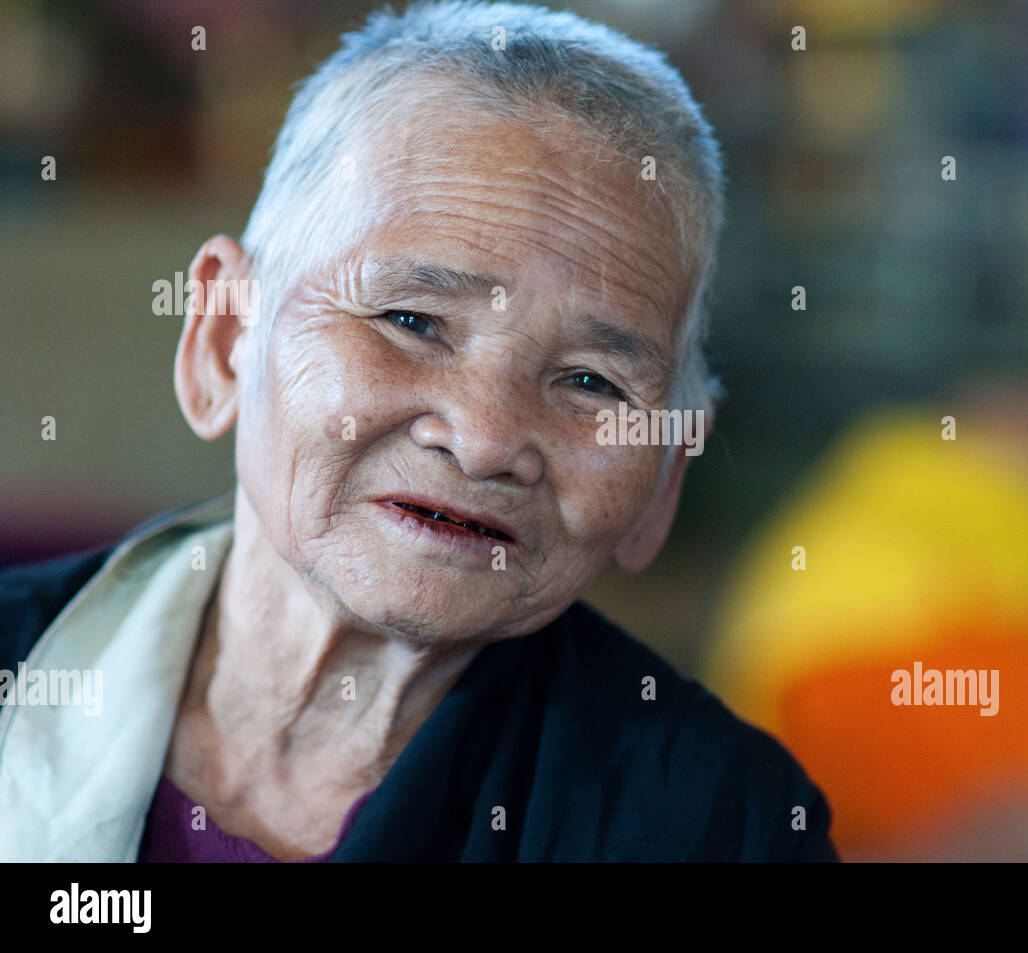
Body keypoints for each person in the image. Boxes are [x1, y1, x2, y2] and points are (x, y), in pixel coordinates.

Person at [0, 0, 837, 862]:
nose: (482, 438)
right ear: (222, 337)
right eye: (412, 319)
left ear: (665, 475)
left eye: (591, 381)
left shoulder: (718, 828)